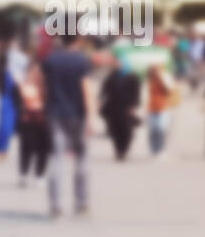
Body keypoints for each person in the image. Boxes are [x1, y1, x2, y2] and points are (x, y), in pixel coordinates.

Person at [42, 34, 95, 218]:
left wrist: (45, 108)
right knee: (81, 158)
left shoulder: (50, 60)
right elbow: (86, 90)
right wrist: (92, 117)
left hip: (55, 114)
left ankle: (56, 205)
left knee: (56, 158)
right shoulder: (82, 61)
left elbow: (43, 88)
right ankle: (82, 204)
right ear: (78, 38)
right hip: (78, 115)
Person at [16, 59, 49, 186]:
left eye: (38, 71)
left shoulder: (46, 86)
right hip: (27, 120)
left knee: (43, 149)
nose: (35, 73)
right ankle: (23, 173)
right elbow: (17, 102)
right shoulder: (23, 85)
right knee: (26, 147)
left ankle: (39, 174)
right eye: (32, 71)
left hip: (42, 120)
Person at [99, 61, 141, 161]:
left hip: (126, 107)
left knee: (127, 131)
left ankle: (124, 149)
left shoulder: (132, 77)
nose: (117, 66)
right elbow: (104, 89)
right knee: (115, 130)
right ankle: (118, 150)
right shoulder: (111, 76)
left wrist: (133, 106)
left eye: (119, 64)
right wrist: (100, 100)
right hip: (113, 107)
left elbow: (136, 92)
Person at [146, 62, 177, 158]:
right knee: (153, 130)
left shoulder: (164, 78)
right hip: (152, 107)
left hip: (163, 108)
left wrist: (161, 78)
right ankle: (154, 149)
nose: (154, 72)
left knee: (161, 130)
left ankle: (161, 149)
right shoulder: (151, 80)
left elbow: (170, 89)